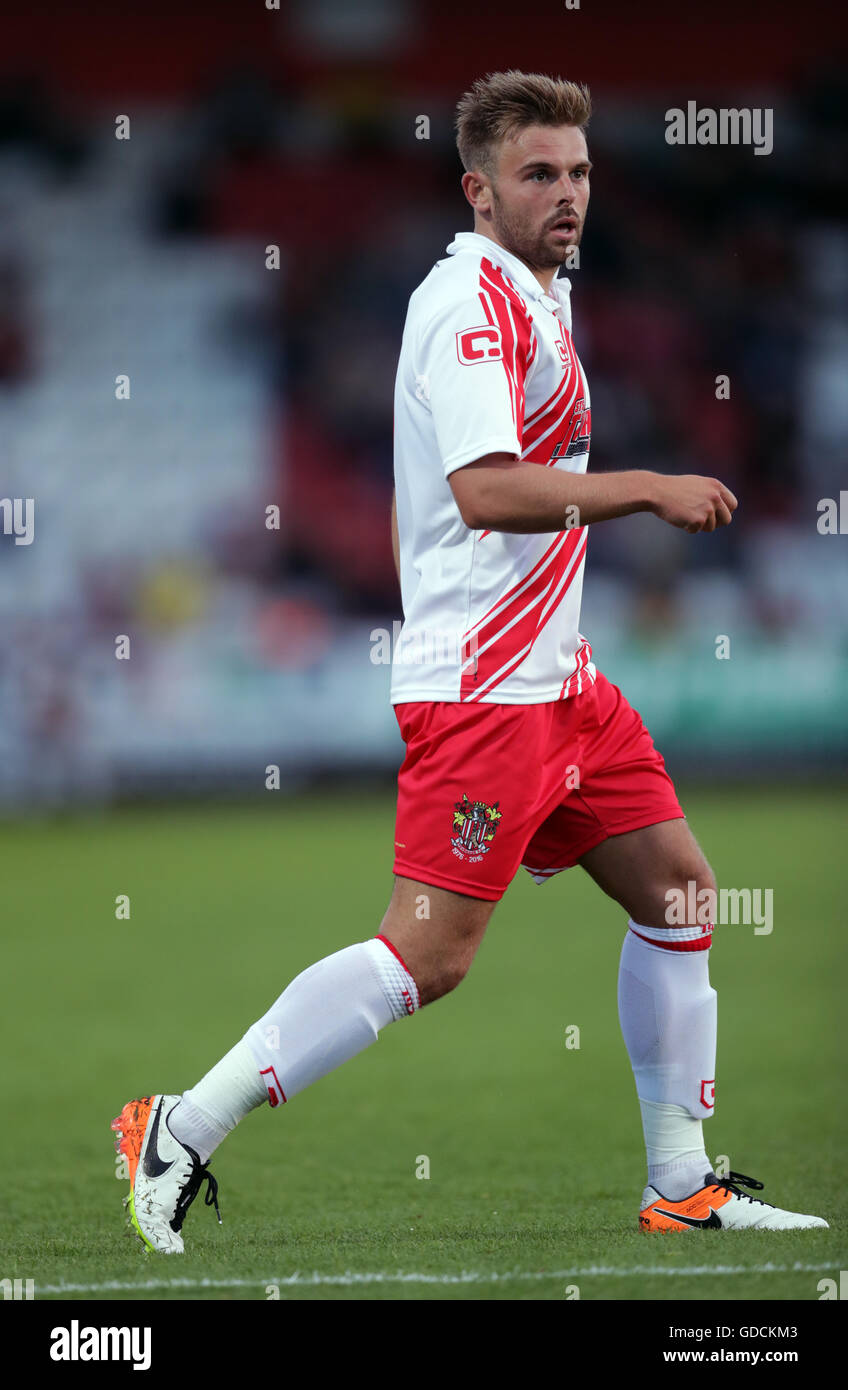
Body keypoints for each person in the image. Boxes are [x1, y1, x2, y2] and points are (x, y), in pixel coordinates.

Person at [112, 70, 826, 1252]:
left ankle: (680, 1181)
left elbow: (427, 505)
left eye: (579, 172)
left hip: (562, 684)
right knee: (425, 958)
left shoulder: (534, 297)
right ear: (477, 189)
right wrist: (641, 487)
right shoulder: (467, 305)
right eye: (538, 173)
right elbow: (482, 490)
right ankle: (180, 1124)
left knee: (681, 892)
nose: (566, 195)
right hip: (487, 692)